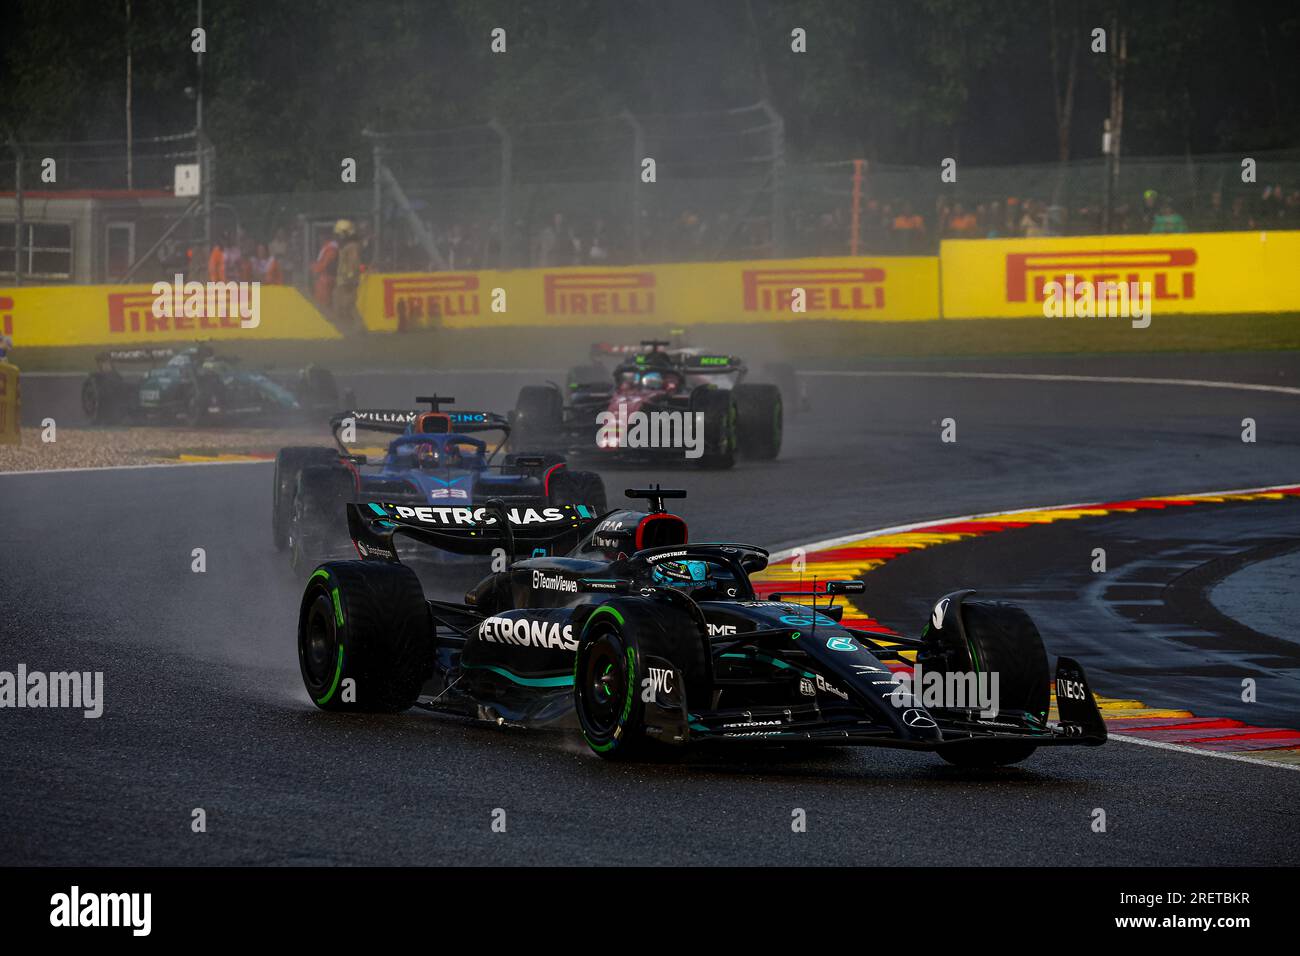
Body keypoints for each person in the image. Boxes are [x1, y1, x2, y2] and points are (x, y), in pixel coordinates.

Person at [333, 220, 363, 329]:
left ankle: (357, 328)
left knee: (347, 306)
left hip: (347, 281)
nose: (338, 237)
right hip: (342, 281)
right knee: (339, 306)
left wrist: (349, 277)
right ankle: (345, 329)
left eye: (339, 234)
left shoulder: (352, 246)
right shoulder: (348, 246)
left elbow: (353, 263)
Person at [311, 225, 341, 309]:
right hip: (325, 278)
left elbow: (326, 263)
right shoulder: (328, 247)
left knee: (325, 304)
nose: (319, 238)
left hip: (328, 278)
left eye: (321, 235)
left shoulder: (331, 248)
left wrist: (315, 268)